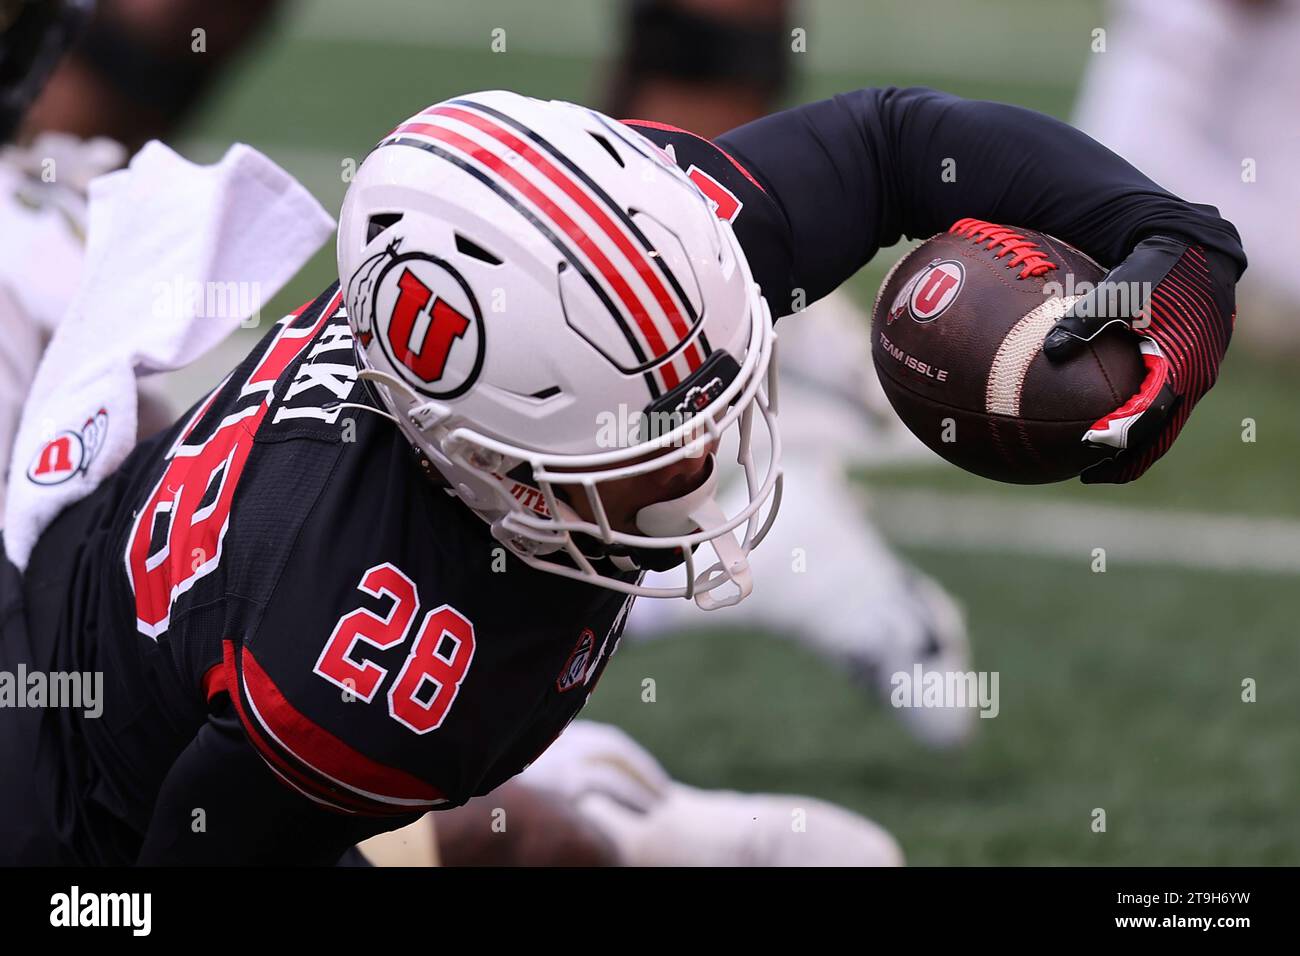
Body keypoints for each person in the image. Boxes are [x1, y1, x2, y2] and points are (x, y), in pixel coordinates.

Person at [0, 74, 1243, 863]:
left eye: (713, 390)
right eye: (652, 444)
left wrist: (1174, 245)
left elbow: (896, 143)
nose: (709, 452)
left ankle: (563, 808)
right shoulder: (374, 669)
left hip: (159, 618)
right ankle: (569, 807)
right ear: (485, 464)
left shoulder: (629, 285)